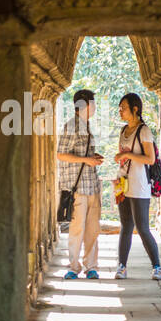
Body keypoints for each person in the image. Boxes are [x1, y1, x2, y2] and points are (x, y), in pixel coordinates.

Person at [114, 93, 161, 280]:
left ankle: (157, 266)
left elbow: (149, 159)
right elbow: (124, 156)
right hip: (123, 182)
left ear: (135, 109)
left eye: (124, 107)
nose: (120, 110)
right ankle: (122, 266)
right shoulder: (123, 131)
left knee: (142, 227)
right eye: (119, 107)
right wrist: (121, 159)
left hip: (140, 184)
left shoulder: (144, 131)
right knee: (126, 225)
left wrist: (126, 156)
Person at [56, 88, 105, 280]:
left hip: (92, 185)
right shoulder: (71, 126)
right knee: (77, 229)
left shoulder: (87, 125)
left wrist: (92, 159)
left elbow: (84, 156)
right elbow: (61, 154)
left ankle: (91, 266)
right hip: (77, 188)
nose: (94, 107)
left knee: (93, 229)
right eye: (92, 103)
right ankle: (74, 266)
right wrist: (86, 160)